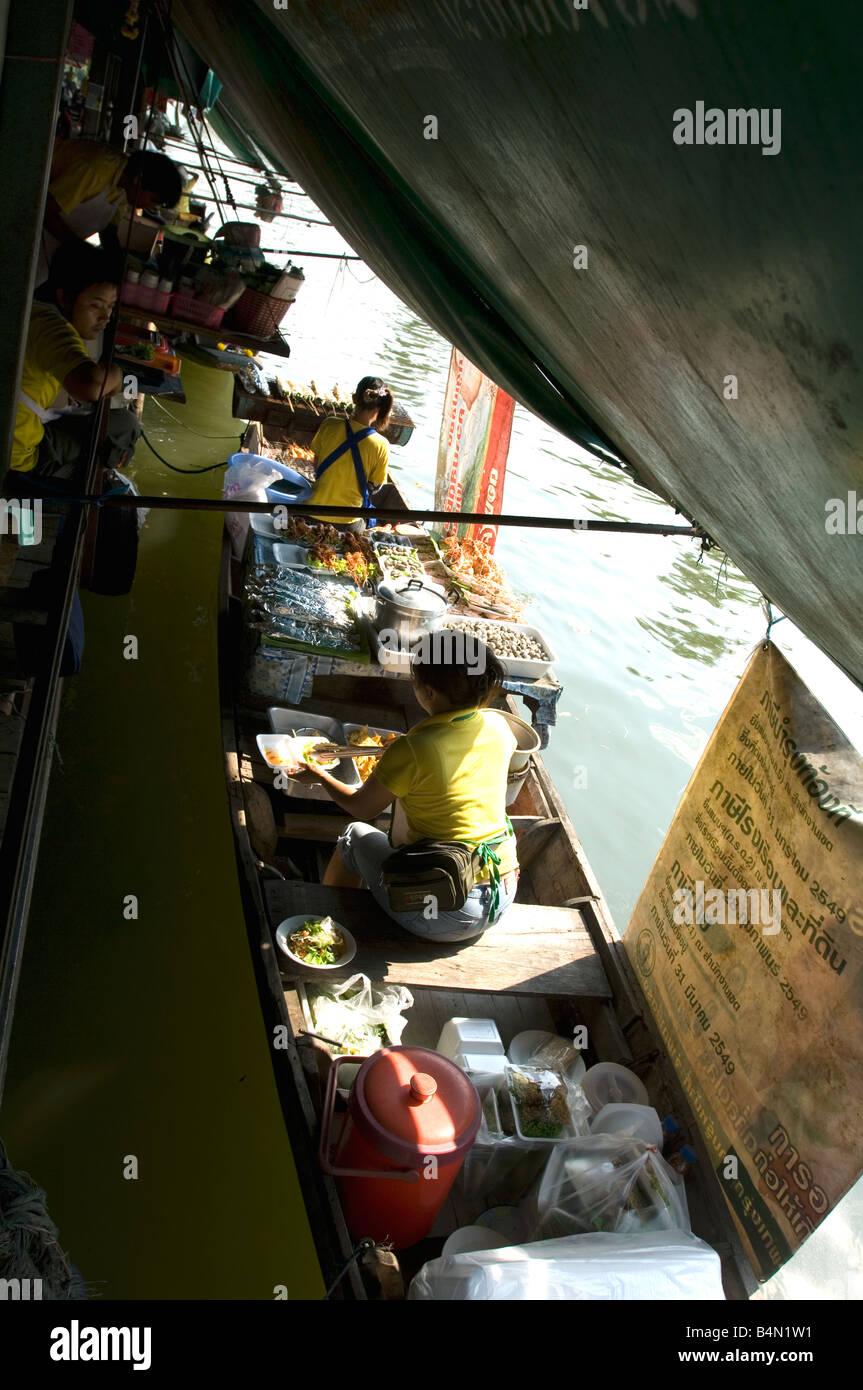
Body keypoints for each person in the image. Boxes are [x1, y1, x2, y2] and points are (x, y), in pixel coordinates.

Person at [297, 633, 520, 942]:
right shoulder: (499, 726)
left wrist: (319, 775)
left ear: (428, 692)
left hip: (448, 911)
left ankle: (326, 928)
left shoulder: (413, 748)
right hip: (502, 892)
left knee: (353, 836)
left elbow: (361, 808)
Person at [5, 242, 132, 492]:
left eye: (110, 307)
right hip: (19, 459)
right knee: (126, 424)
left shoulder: (32, 309)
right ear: (64, 297)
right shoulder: (52, 328)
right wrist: (117, 375)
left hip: (16, 431)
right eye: (96, 305)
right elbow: (92, 386)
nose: (105, 318)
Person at [38, 142, 183, 284]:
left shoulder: (123, 186)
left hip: (50, 249)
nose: (149, 206)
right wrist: (79, 248)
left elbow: (110, 228)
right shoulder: (96, 170)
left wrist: (118, 259)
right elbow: (42, 209)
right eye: (152, 199)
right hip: (32, 230)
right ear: (138, 180)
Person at [306, 375, 393, 531]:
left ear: (354, 399)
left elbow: (316, 465)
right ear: (380, 408)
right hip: (347, 525)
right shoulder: (381, 445)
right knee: (369, 521)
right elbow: (374, 487)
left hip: (310, 515)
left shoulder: (329, 424)